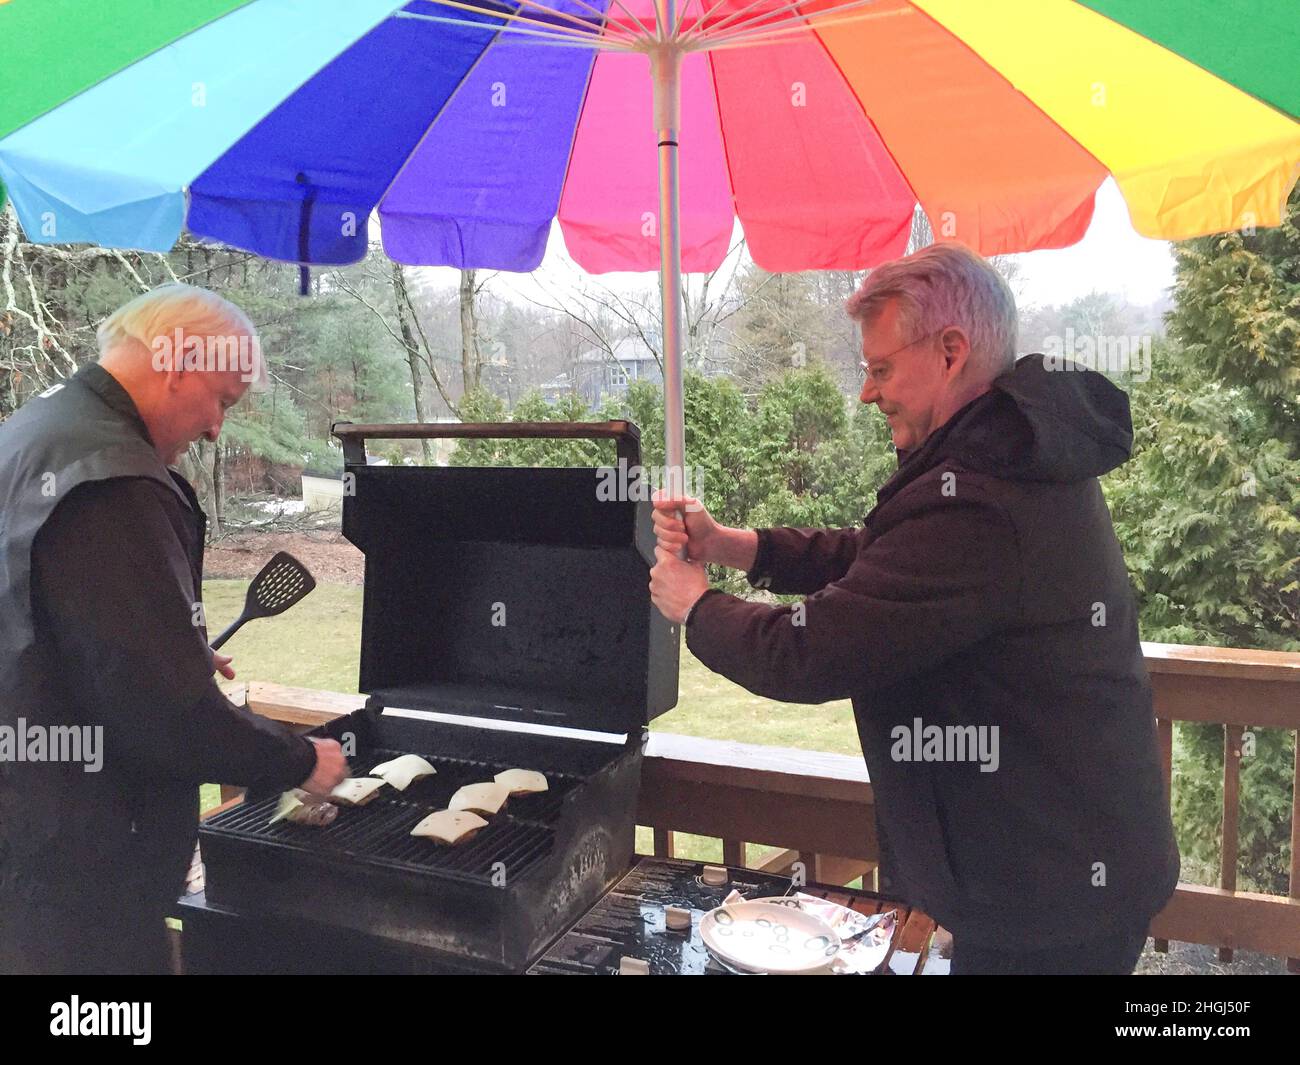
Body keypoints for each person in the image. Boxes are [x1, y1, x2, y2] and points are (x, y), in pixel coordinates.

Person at [649, 243, 1179, 975]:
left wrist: (696, 605)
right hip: (1045, 867)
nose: (868, 394)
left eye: (881, 369)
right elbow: (879, 558)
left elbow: (813, 651)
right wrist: (738, 546)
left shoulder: (985, 498)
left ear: (952, 351)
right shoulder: (1004, 455)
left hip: (1048, 896)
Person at [0, 284, 347, 975]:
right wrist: (302, 760)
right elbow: (170, 715)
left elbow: (59, 631)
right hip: (79, 867)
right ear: (179, 360)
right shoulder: (114, 478)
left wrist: (169, 643)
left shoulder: (33, 433)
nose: (218, 427)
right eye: (224, 398)